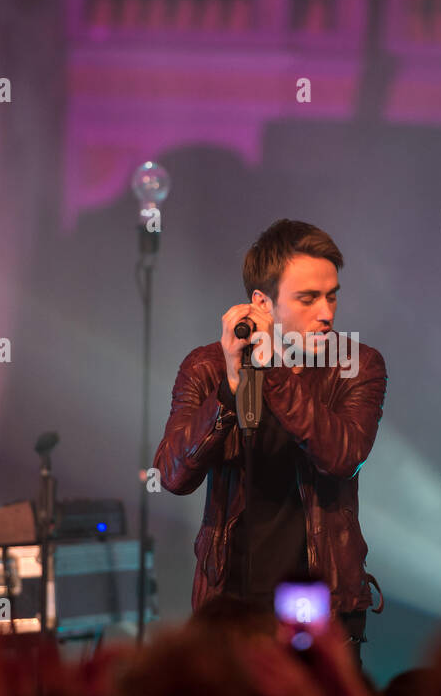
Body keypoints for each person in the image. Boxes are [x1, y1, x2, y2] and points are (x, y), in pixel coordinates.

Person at [153, 219, 387, 667]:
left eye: (332, 294)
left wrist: (274, 370)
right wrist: (230, 388)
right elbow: (172, 474)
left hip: (323, 605)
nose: (327, 312)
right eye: (308, 298)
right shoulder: (206, 366)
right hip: (232, 602)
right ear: (261, 302)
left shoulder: (356, 363)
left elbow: (343, 456)